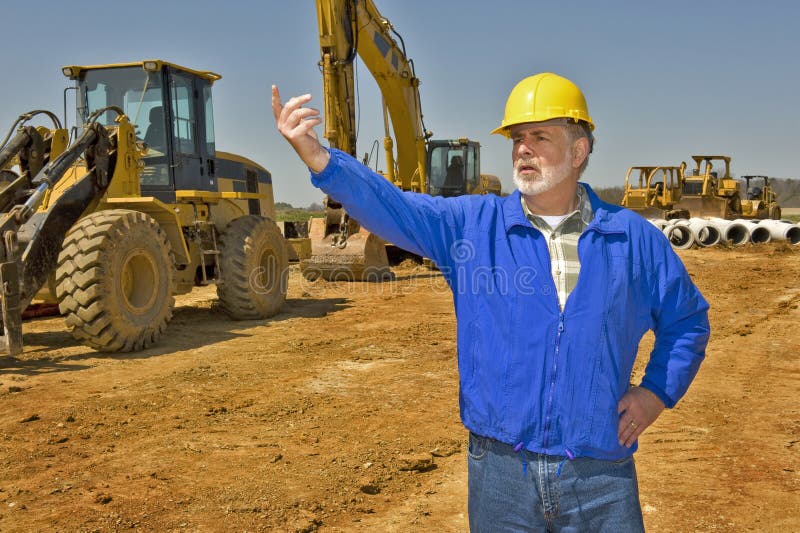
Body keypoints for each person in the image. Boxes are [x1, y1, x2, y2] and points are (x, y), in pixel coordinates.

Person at [272, 72, 710, 532]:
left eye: (540, 136)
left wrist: (656, 393)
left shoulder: (632, 238)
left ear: (578, 151)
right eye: (518, 137)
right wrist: (322, 160)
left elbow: (687, 321)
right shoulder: (473, 228)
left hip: (599, 473)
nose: (523, 148)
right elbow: (394, 207)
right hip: (502, 474)